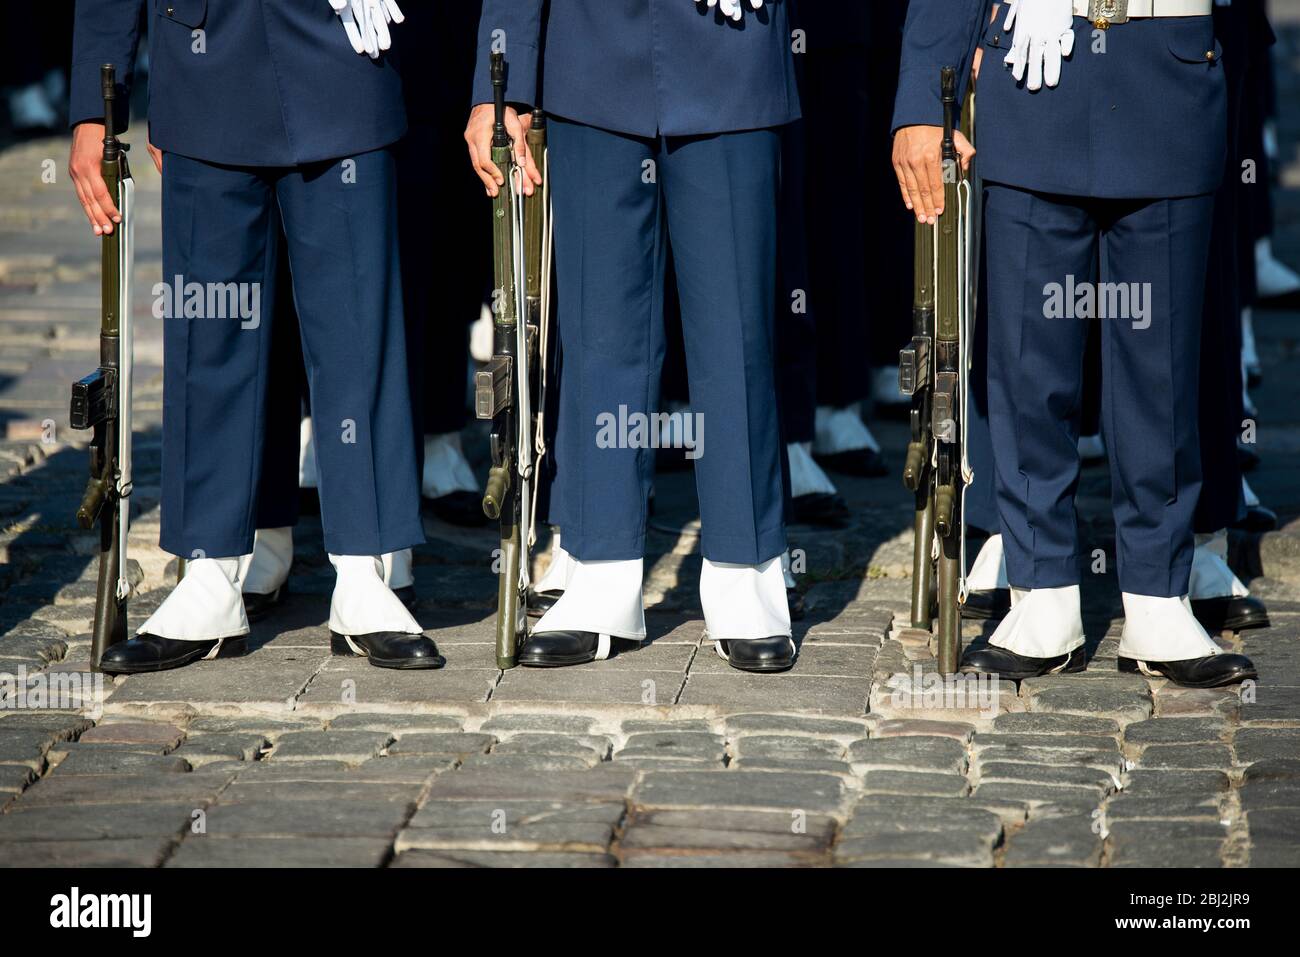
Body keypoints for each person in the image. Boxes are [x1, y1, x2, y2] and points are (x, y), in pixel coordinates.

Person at [69, 0, 441, 673]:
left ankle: (367, 570)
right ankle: (209, 574)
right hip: (205, 48)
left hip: (340, 43)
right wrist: (98, 100)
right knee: (208, 335)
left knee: (359, 328)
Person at [893, 0, 1256, 687]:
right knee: (1028, 363)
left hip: (1166, 63)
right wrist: (922, 92)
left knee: (1163, 370)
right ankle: (1042, 590)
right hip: (1034, 72)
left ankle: (1159, 594)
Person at [464, 0, 800, 672]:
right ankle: (600, 567)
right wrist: (503, 82)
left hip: (729, 45)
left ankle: (748, 571)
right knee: (599, 330)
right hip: (591, 53)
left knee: (735, 335)